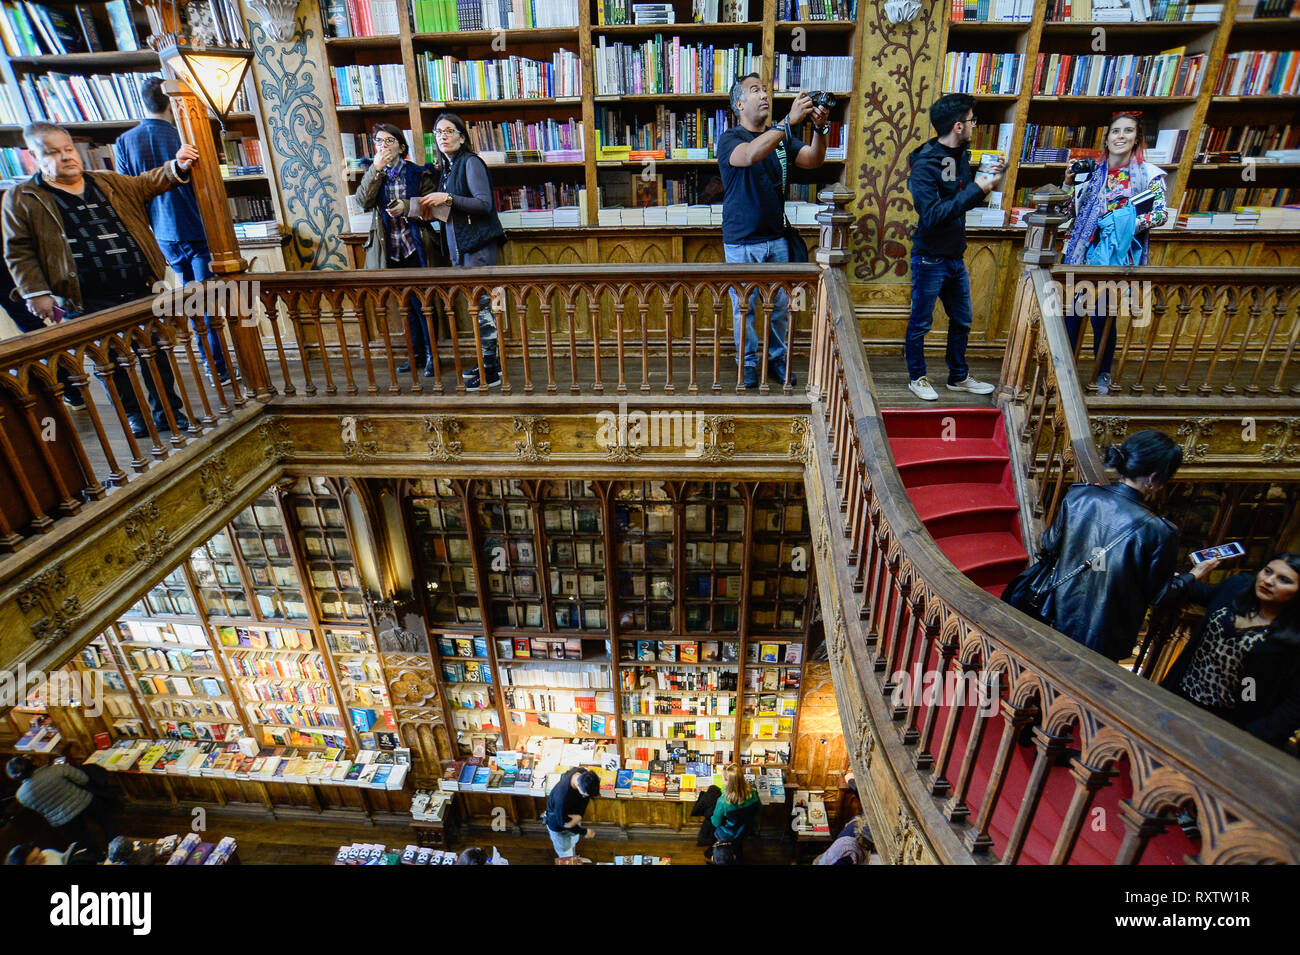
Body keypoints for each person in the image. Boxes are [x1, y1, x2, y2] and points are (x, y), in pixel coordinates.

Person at [2, 122, 195, 437]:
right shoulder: (21, 197)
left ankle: (169, 412)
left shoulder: (108, 182)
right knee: (110, 364)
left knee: (155, 354)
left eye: (68, 149)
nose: (66, 158)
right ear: (34, 157)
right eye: (54, 153)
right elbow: (19, 251)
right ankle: (135, 416)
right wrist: (36, 293)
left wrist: (177, 166)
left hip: (139, 289)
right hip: (86, 299)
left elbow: (146, 184)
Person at [115, 77, 230, 386]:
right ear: (171, 103)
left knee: (190, 299)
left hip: (163, 235)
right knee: (207, 301)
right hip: (198, 227)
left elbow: (129, 193)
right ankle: (218, 365)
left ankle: (210, 363)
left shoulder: (125, 141)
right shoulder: (188, 135)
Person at [717, 74, 829, 389]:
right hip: (741, 241)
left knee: (782, 307)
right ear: (739, 104)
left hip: (778, 238)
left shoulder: (779, 136)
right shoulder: (730, 139)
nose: (764, 94)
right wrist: (787, 123)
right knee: (745, 309)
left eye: (766, 89)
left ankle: (778, 360)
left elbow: (814, 160)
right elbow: (750, 155)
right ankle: (748, 364)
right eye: (756, 90)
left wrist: (819, 128)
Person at [1037, 429, 1182, 662]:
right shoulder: (1160, 532)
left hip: (1056, 616)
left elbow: (1049, 544)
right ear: (1155, 478)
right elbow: (1160, 595)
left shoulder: (1079, 496)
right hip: (1104, 641)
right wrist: (1194, 575)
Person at [1061, 112, 1170, 395]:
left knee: (1103, 316)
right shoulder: (1092, 172)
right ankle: (1063, 370)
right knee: (1071, 313)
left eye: (1128, 131)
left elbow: (1160, 214)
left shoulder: (1150, 175)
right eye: (1115, 131)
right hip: (1084, 253)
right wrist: (1068, 183)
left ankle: (1102, 373)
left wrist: (1124, 225)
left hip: (1117, 255)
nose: (1120, 136)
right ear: (1107, 139)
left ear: (1136, 139)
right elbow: (1067, 212)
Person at [904, 93, 1003, 402]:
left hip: (954, 256)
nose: (975, 125)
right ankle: (917, 377)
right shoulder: (925, 163)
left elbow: (957, 199)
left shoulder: (959, 154)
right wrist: (977, 187)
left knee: (962, 319)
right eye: (973, 121)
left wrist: (985, 182)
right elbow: (932, 215)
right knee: (921, 323)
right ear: (958, 125)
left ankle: (958, 377)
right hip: (929, 259)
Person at [1159, 552, 1300, 751]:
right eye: (1267, 571)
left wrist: (1253, 735)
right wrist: (1191, 574)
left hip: (1226, 723)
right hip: (1178, 695)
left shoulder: (1293, 639)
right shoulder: (1237, 588)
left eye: (1283, 580)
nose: (1269, 581)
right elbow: (1203, 593)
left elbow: (1295, 703)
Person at [415, 112, 506, 391]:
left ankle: (491, 372)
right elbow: (453, 211)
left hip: (477, 245)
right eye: (438, 133)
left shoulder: (470, 162)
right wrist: (426, 212)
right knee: (477, 308)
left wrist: (449, 197)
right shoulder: (449, 168)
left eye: (448, 131)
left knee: (483, 310)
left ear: (462, 137)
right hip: (461, 247)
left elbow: (483, 204)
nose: (442, 136)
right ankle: (489, 364)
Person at [355, 123, 442, 376]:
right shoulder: (375, 173)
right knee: (404, 305)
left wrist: (406, 206)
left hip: (415, 246)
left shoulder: (418, 173)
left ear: (401, 147)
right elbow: (362, 202)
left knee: (423, 304)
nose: (383, 146)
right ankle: (414, 354)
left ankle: (432, 356)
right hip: (389, 249)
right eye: (379, 141)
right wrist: (376, 169)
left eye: (389, 141)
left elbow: (435, 210)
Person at [6, 756, 115, 847]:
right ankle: (117, 845)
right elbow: (83, 779)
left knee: (85, 843)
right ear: (31, 764)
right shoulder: (56, 770)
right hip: (84, 802)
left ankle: (99, 859)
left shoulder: (20, 795)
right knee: (107, 825)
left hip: (62, 820)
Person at [708, 764, 761, 863]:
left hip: (728, 834)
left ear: (729, 782)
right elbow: (758, 810)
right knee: (737, 847)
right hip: (744, 830)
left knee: (711, 825)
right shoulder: (753, 794)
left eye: (723, 779)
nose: (722, 781)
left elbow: (716, 823)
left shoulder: (723, 801)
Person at [544, 766, 600, 860]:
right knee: (565, 854)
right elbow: (563, 824)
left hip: (572, 819)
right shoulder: (562, 798)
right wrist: (585, 832)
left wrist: (579, 816)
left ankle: (574, 858)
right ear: (578, 786)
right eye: (584, 794)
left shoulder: (582, 774)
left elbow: (584, 799)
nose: (586, 797)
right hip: (559, 827)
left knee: (573, 843)